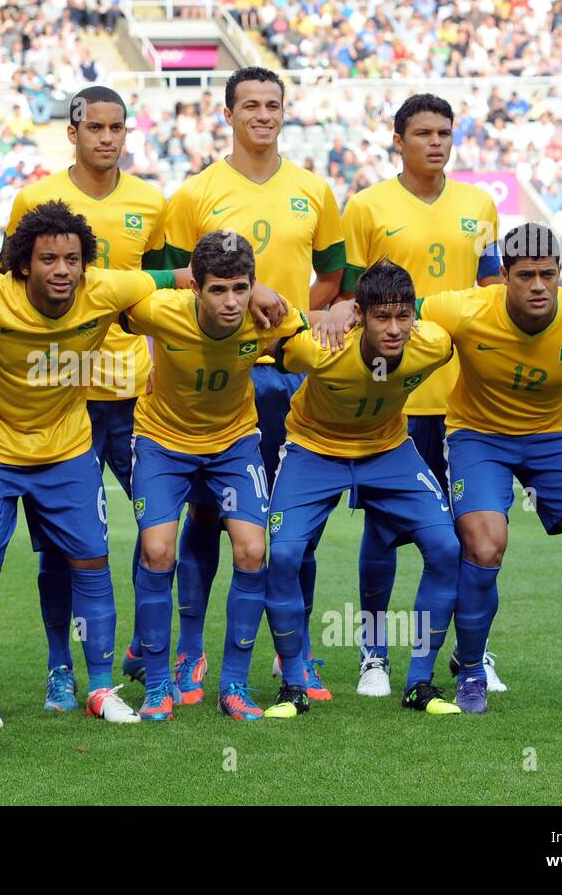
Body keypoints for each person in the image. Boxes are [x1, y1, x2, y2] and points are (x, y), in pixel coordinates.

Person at [0, 200, 289, 727]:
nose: (63, 269)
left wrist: (263, 287)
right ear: (24, 264)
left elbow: (181, 274)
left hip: (67, 450)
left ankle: (101, 687)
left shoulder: (104, 289)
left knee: (92, 562)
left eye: (72, 258)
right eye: (48, 258)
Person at [322, 224, 562, 713]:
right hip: (478, 437)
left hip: (553, 436)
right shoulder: (467, 308)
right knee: (485, 543)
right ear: (503, 276)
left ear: (560, 273)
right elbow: (397, 308)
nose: (538, 285)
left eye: (547, 274)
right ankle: (471, 669)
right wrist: (348, 307)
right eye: (526, 275)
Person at [152, 65, 347, 702]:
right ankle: (190, 652)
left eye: (274, 105)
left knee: (292, 528)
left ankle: (298, 655)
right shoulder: (195, 193)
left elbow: (333, 275)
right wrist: (246, 296)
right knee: (206, 519)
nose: (263, 114)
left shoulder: (314, 190)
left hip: (291, 377)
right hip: (223, 381)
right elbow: (166, 278)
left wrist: (299, 315)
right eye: (251, 105)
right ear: (229, 114)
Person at [340, 92, 506, 697]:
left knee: (472, 531)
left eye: (445, 132)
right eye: (424, 133)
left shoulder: (479, 204)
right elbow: (350, 300)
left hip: (464, 400)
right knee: (383, 532)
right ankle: (373, 653)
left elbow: (492, 293)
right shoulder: (366, 207)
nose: (436, 142)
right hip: (395, 399)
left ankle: (473, 653)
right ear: (398, 139)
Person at [5, 85, 166, 713]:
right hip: (61, 397)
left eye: (117, 127)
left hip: (132, 395)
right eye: (94, 127)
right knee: (61, 544)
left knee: (157, 526)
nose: (107, 137)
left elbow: (167, 296)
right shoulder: (35, 200)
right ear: (72, 131)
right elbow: (9, 293)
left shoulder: (151, 202)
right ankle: (60, 667)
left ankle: (142, 651)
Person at [265, 261, 463, 719]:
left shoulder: (432, 344)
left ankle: (419, 683)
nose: (394, 329)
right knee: (285, 555)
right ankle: (293, 685)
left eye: (403, 316)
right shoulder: (321, 350)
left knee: (446, 548)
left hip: (388, 451)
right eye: (381, 317)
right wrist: (327, 313)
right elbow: (277, 330)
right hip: (314, 450)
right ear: (360, 314)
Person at [120, 231, 304, 721]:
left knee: (252, 549)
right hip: (162, 442)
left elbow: (324, 323)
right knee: (157, 551)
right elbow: (111, 296)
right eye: (218, 289)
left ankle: (234, 687)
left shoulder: (269, 318)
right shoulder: (160, 311)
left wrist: (338, 312)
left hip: (233, 443)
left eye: (240, 288)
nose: (231, 301)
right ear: (194, 289)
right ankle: (158, 685)